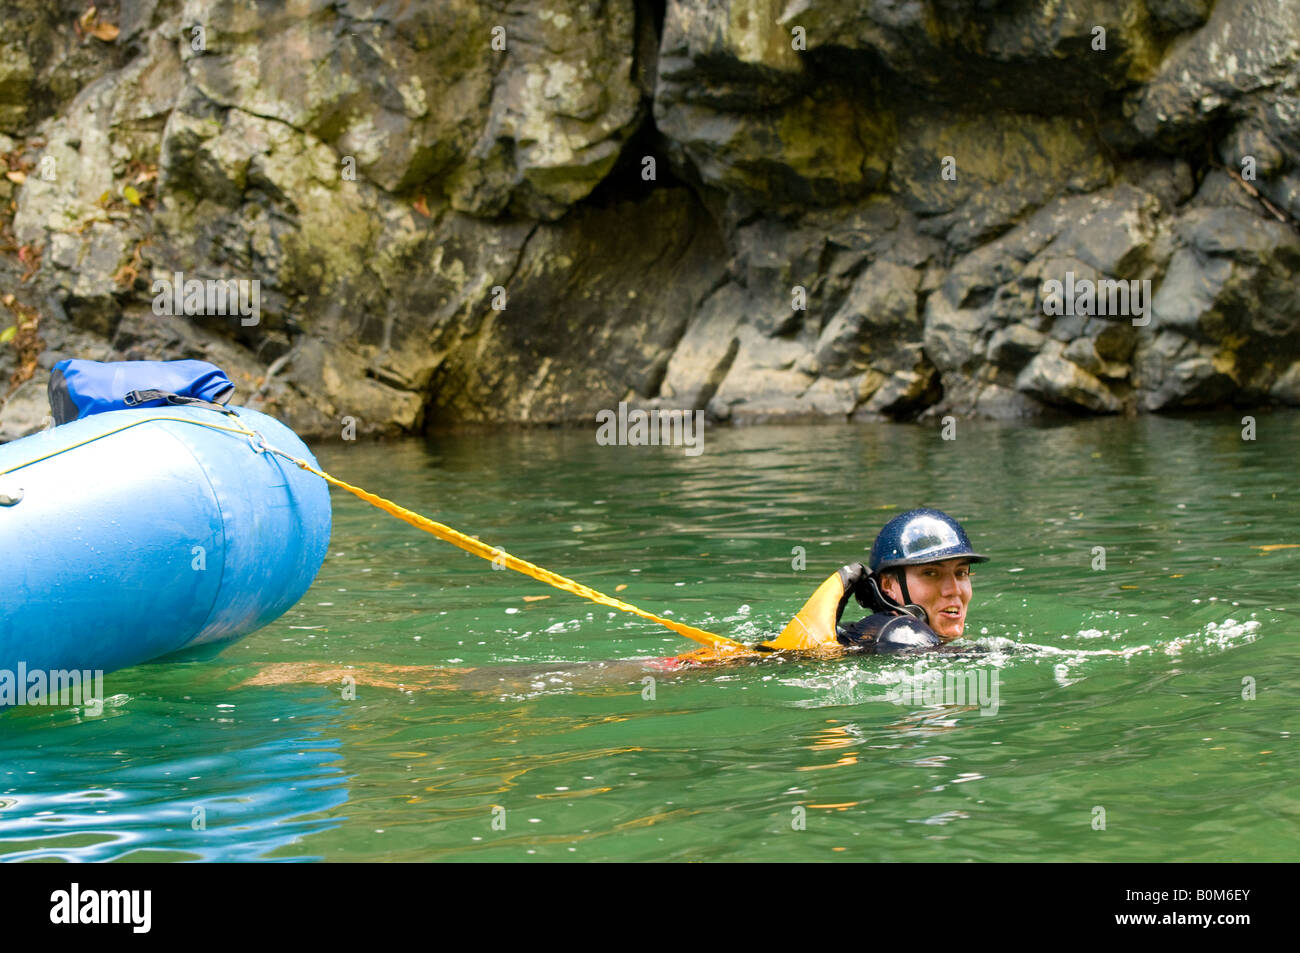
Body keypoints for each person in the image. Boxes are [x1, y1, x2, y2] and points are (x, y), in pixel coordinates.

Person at [752, 508, 988, 656]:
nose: (953, 590)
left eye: (961, 573)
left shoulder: (871, 630)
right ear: (887, 585)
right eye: (931, 574)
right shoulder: (903, 632)